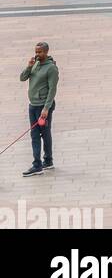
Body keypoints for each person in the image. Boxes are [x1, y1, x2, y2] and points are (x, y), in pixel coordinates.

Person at [20, 40, 58, 176]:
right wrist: (29, 67)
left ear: (46, 52)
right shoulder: (34, 64)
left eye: (40, 52)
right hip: (33, 105)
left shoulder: (51, 68)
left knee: (44, 133)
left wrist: (46, 108)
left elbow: (52, 90)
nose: (37, 54)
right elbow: (22, 78)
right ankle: (44, 162)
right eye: (36, 51)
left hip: (43, 106)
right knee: (35, 134)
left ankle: (42, 163)